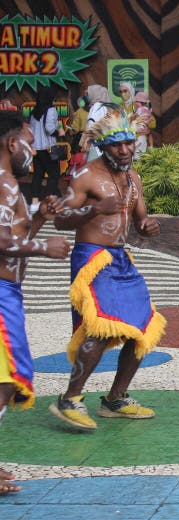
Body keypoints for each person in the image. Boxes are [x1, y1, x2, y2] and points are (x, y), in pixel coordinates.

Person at [49, 106, 166, 431]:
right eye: (118, 145)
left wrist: (146, 226)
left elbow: (139, 217)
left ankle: (116, 398)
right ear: (104, 146)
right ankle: (70, 398)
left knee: (143, 327)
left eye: (129, 143)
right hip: (93, 258)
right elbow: (60, 220)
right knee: (101, 329)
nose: (126, 150)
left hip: (121, 258)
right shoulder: (86, 175)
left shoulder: (133, 178)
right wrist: (95, 209)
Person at [0, 110, 70, 493]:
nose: (33, 150)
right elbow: (1, 241)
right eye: (29, 141)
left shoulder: (11, 185)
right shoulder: (4, 184)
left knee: (6, 378)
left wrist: (40, 218)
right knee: (5, 379)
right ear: (12, 144)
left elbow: (13, 235)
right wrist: (46, 247)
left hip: (7, 291)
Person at [29, 86, 63, 204]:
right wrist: (59, 131)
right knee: (54, 174)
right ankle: (49, 201)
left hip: (36, 148)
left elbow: (31, 130)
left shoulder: (34, 111)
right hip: (49, 147)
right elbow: (49, 129)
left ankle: (34, 202)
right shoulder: (51, 110)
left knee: (38, 175)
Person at [82, 84, 111, 162]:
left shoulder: (97, 106)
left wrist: (86, 141)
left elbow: (93, 126)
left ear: (95, 94)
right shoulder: (103, 107)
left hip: (95, 144)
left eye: (87, 94)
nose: (85, 96)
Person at [133, 92, 156, 159]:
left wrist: (133, 117)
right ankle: (151, 146)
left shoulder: (140, 109)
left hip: (139, 131)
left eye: (136, 101)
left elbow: (136, 117)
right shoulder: (148, 109)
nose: (135, 103)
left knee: (138, 150)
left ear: (140, 102)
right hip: (146, 129)